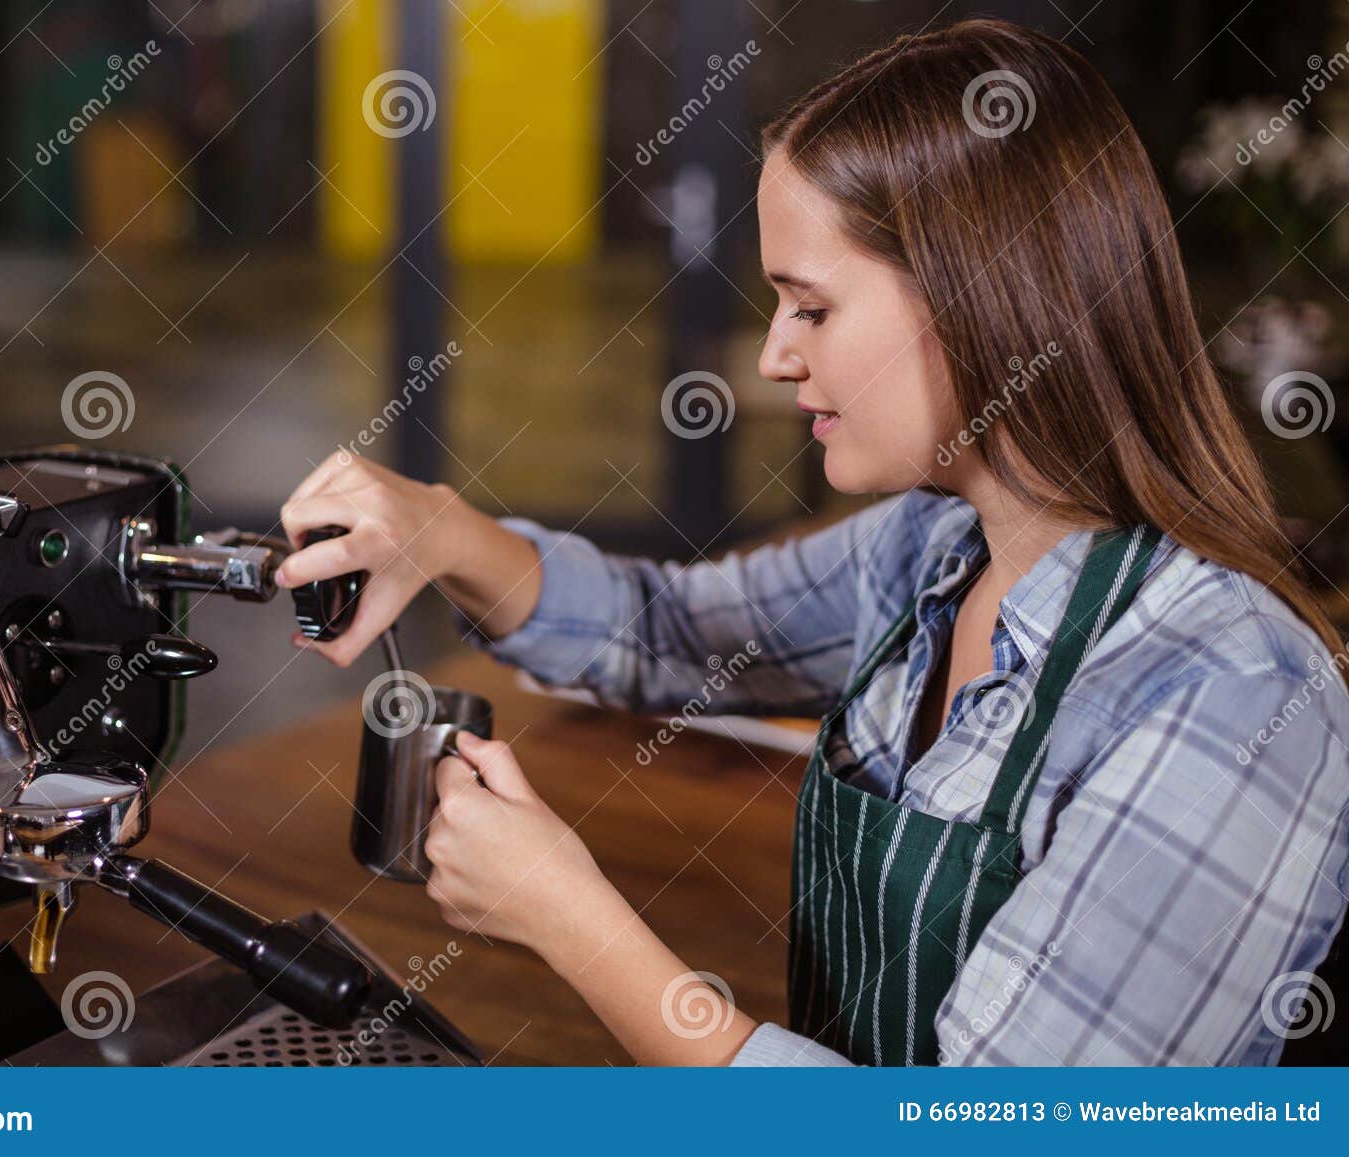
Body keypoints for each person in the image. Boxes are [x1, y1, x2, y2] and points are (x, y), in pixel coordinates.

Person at [277, 18, 1349, 1065]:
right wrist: (440, 528)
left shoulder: (1228, 695)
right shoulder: (931, 551)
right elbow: (667, 632)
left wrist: (572, 920)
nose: (778, 356)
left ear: (980, 301)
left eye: (812, 308)